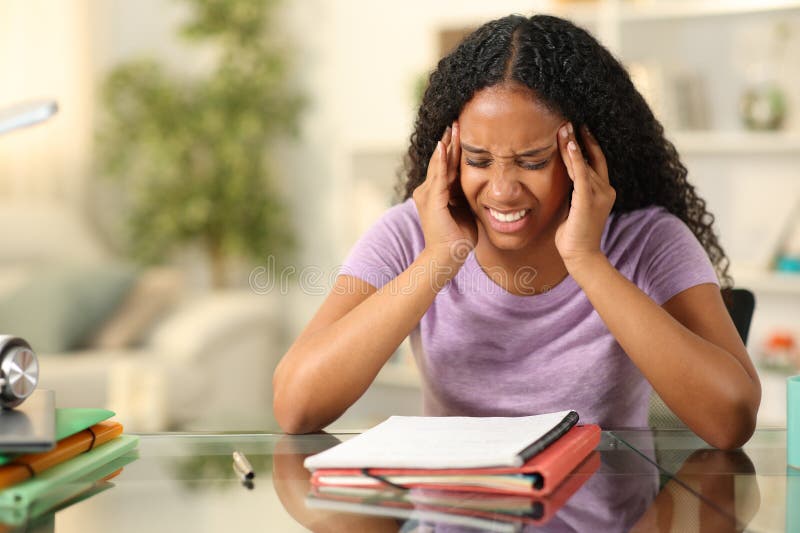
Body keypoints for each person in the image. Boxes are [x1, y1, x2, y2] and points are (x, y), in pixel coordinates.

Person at [273, 14, 761, 448]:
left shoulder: (648, 240)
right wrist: (439, 258)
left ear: (587, 155)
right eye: (479, 160)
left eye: (532, 161)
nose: (503, 191)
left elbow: (731, 420)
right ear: (447, 154)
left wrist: (588, 261)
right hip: (454, 518)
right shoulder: (410, 234)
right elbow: (296, 406)